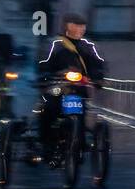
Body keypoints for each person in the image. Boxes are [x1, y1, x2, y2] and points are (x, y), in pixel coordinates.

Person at [37, 13, 106, 156]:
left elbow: (97, 64)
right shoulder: (55, 44)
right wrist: (46, 76)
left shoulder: (88, 46)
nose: (81, 29)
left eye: (83, 26)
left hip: (79, 88)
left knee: (81, 113)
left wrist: (98, 78)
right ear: (68, 26)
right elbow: (43, 64)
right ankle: (46, 142)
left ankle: (79, 140)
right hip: (57, 86)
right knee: (49, 109)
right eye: (77, 25)